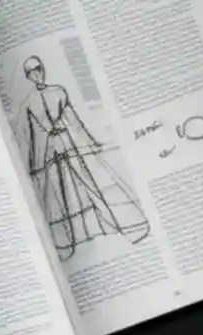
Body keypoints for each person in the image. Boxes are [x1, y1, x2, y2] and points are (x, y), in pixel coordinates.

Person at [15, 55, 148, 260]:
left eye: (38, 70)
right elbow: (30, 137)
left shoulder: (58, 91)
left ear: (43, 69)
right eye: (31, 73)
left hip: (67, 144)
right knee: (58, 195)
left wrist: (90, 142)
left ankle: (123, 226)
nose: (36, 75)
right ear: (27, 76)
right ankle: (67, 242)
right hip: (49, 152)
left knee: (88, 183)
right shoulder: (27, 104)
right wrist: (33, 165)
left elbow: (74, 122)